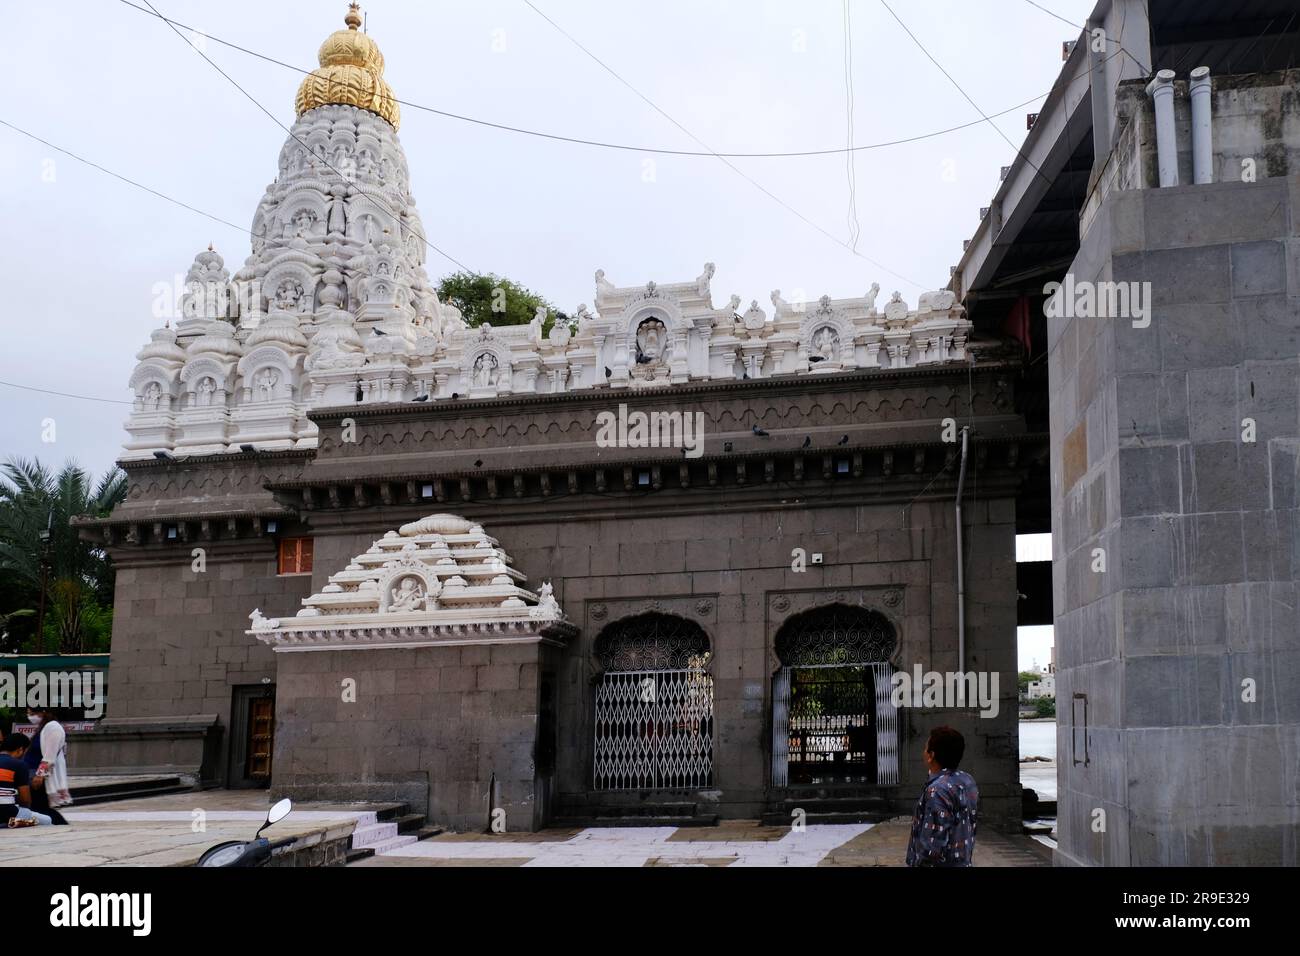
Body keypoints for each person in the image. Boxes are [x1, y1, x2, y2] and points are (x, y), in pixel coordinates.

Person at [906, 725, 979, 867]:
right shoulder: (967, 780)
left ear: (931, 755)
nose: (923, 752)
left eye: (925, 747)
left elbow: (932, 847)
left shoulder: (937, 790)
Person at [26, 707, 72, 813]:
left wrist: (40, 775)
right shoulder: (42, 728)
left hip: (39, 774)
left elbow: (50, 755)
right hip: (31, 770)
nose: (29, 717)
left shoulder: (53, 727)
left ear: (42, 713)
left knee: (40, 806)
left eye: (31, 713)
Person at [0, 734, 53, 826]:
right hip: (7, 813)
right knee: (47, 820)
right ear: (20, 750)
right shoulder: (19, 765)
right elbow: (25, 800)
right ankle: (10, 823)